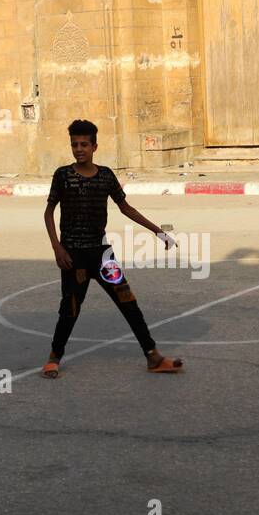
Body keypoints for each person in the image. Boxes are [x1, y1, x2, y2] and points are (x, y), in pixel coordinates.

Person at [43, 119, 182, 377]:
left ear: (95, 146)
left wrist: (158, 231)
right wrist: (57, 248)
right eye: (75, 144)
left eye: (84, 144)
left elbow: (125, 207)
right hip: (73, 257)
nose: (79, 149)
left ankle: (153, 356)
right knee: (70, 308)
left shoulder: (106, 175)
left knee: (128, 302)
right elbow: (48, 212)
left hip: (102, 255)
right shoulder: (62, 175)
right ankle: (54, 357)